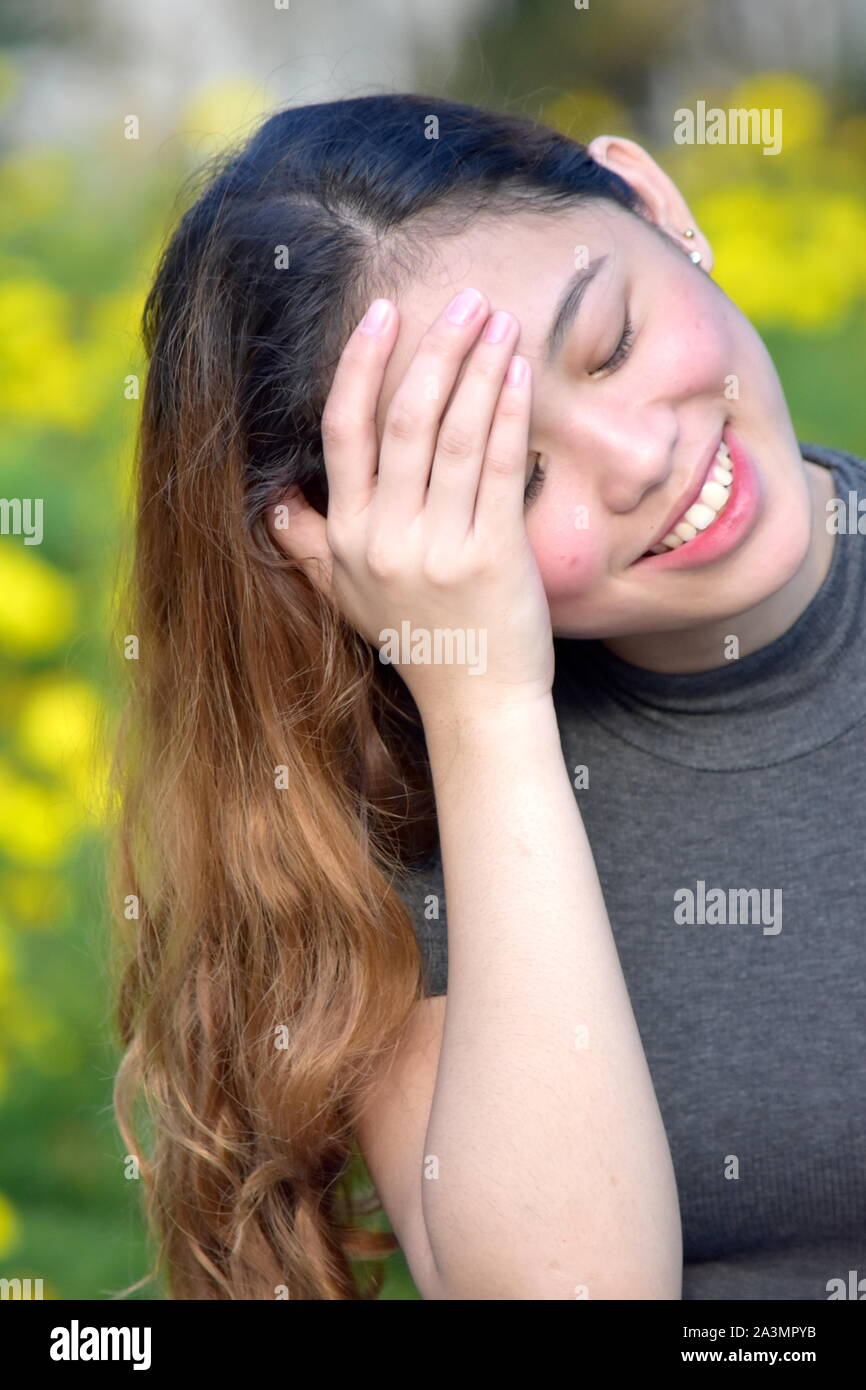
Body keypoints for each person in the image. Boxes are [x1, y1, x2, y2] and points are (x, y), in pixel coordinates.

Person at [109, 91, 866, 1301]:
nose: (639, 460)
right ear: (357, 547)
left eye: (609, 342)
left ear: (661, 207)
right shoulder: (395, 803)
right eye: (509, 482)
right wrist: (484, 709)